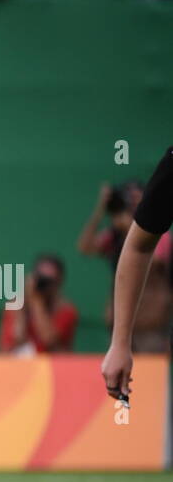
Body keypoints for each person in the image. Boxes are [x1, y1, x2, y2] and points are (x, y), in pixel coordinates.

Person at [102, 145, 173, 403]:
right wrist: (120, 343)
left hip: (156, 330)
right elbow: (138, 247)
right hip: (140, 332)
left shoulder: (167, 245)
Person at [78, 181, 172, 355]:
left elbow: (151, 260)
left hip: (151, 330)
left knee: (150, 380)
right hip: (120, 331)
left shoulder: (161, 235)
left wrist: (132, 225)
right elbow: (85, 247)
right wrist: (101, 209)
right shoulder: (115, 235)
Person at [0, 253, 78, 354]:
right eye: (42, 279)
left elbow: (48, 339)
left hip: (53, 366)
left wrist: (36, 301)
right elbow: (15, 339)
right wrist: (22, 303)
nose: (45, 285)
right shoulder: (17, 304)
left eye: (49, 281)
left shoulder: (66, 310)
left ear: (59, 282)